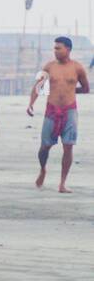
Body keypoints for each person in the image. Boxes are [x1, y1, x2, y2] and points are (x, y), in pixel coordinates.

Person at [29, 36, 89, 192]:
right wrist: (30, 105)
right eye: (54, 48)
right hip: (51, 110)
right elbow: (38, 87)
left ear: (68, 49)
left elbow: (86, 88)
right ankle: (43, 169)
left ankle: (62, 183)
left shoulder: (78, 68)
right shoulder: (49, 67)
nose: (55, 51)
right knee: (45, 147)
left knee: (68, 147)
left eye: (58, 48)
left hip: (70, 111)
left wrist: (69, 91)